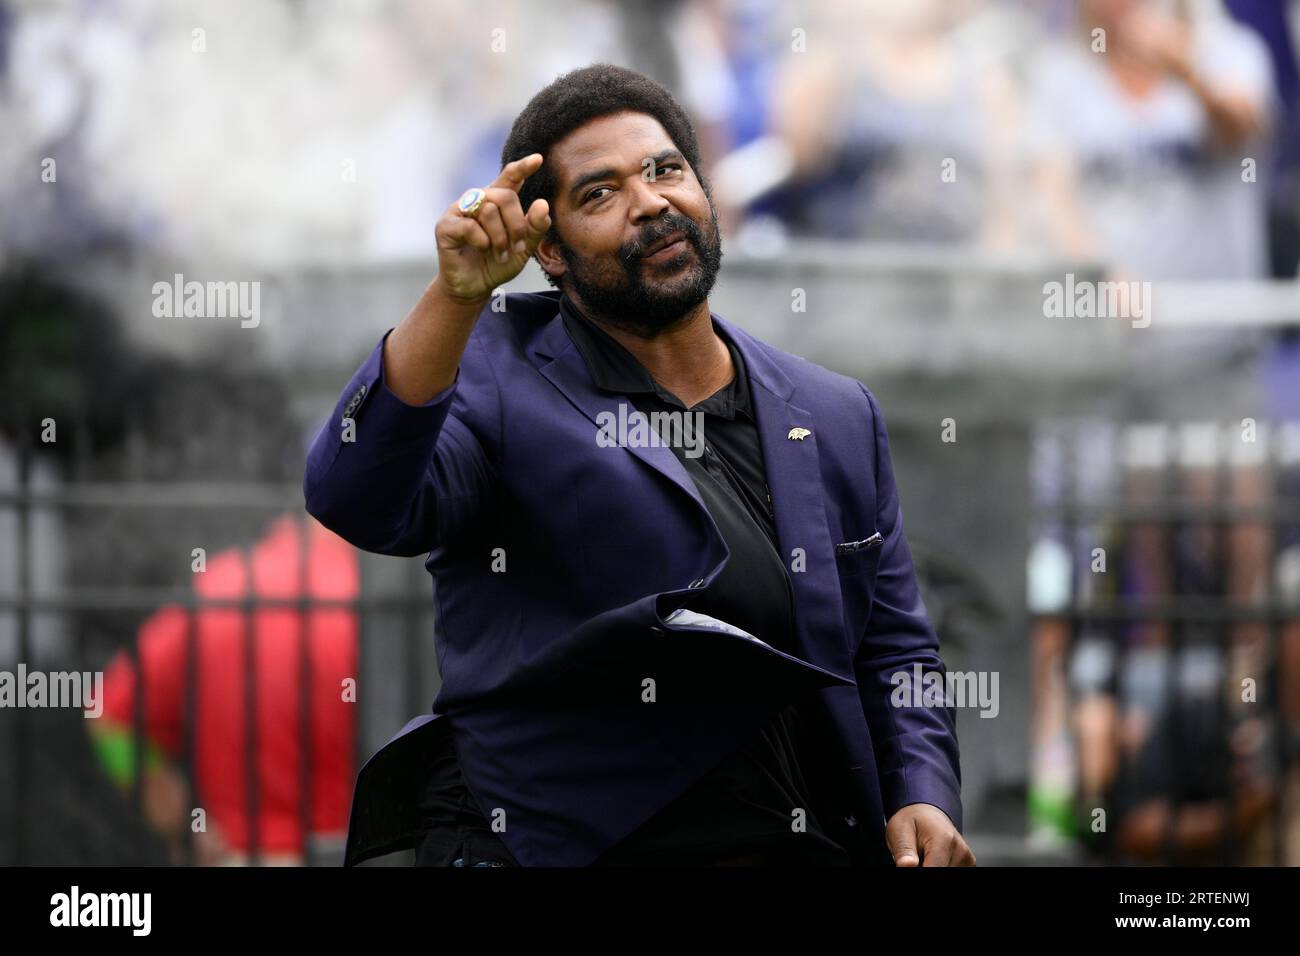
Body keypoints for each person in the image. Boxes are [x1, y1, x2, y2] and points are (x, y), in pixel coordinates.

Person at [304, 63, 969, 868]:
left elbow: (896, 649)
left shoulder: (833, 411)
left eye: (665, 171)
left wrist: (921, 791)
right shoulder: (493, 373)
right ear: (548, 250)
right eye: (601, 193)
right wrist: (454, 299)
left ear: (704, 190)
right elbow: (356, 498)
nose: (650, 202)